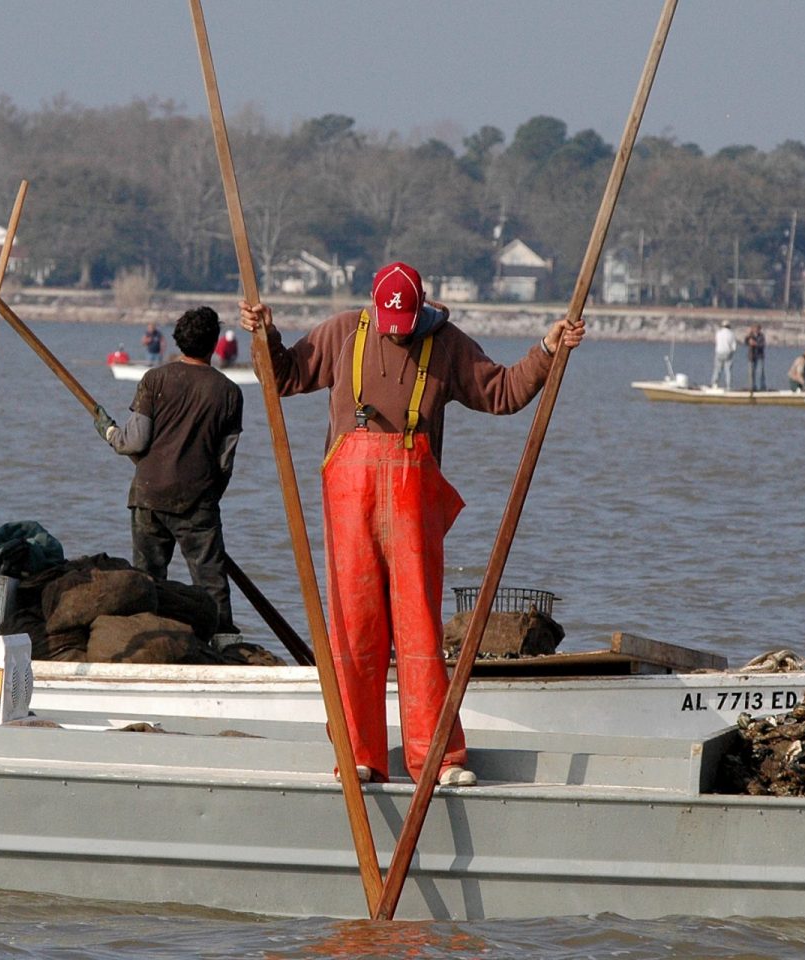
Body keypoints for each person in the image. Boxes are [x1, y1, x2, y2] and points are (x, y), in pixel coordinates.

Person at [239, 261, 584, 789]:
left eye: (404, 324)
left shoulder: (446, 343)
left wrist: (546, 349)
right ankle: (359, 755)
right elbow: (281, 376)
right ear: (375, 308)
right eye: (388, 323)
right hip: (350, 503)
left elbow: (503, 393)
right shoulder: (341, 333)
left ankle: (441, 760)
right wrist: (265, 334)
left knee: (421, 631)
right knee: (353, 633)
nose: (396, 332)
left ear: (420, 309)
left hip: (410, 504)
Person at [98, 306, 244, 634]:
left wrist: (108, 431)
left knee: (147, 581)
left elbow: (133, 442)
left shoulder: (155, 380)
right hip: (197, 503)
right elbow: (225, 461)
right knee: (212, 585)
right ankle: (222, 643)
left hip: (148, 495)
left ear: (179, 342)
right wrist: (208, 500)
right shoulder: (229, 393)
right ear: (214, 344)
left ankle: (145, 636)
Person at [710, 320, 736, 389]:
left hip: (719, 352)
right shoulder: (731, 334)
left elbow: (717, 342)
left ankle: (714, 384)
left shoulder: (718, 333)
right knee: (728, 370)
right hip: (728, 352)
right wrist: (731, 353)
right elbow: (734, 347)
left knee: (717, 369)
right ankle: (728, 386)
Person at [743, 323, 766, 391]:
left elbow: (762, 345)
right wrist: (748, 337)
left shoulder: (761, 336)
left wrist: (755, 344)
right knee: (751, 373)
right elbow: (746, 342)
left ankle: (762, 387)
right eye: (754, 328)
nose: (755, 330)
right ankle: (752, 386)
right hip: (751, 357)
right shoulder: (750, 336)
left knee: (760, 372)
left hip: (759, 356)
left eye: (757, 328)